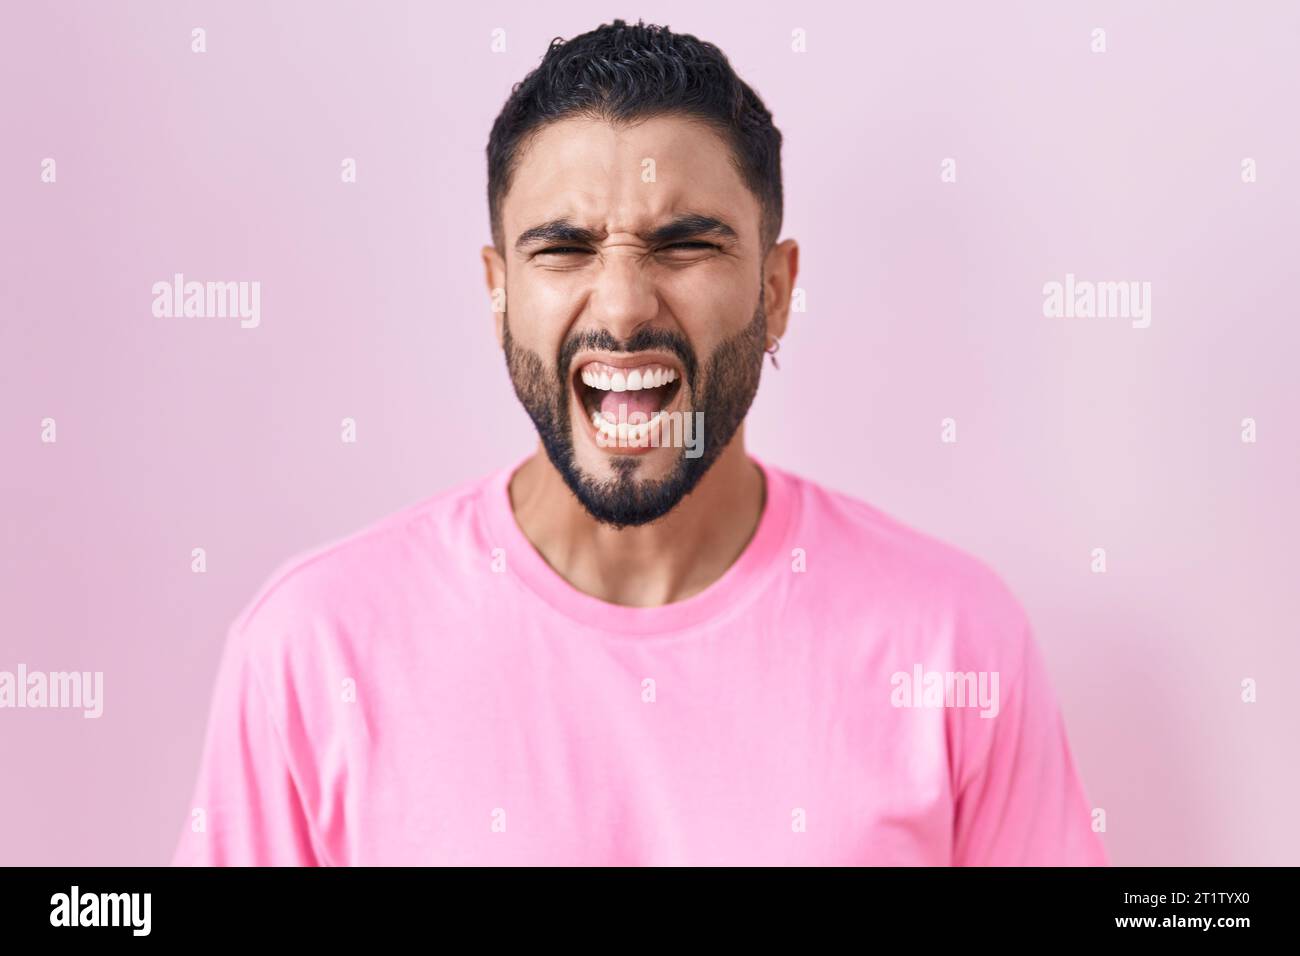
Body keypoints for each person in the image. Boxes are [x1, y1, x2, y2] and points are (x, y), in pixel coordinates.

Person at [172, 19, 1106, 866]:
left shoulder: (954, 642)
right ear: (498, 288)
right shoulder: (311, 651)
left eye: (686, 245)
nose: (622, 309)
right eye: (563, 249)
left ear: (775, 291)